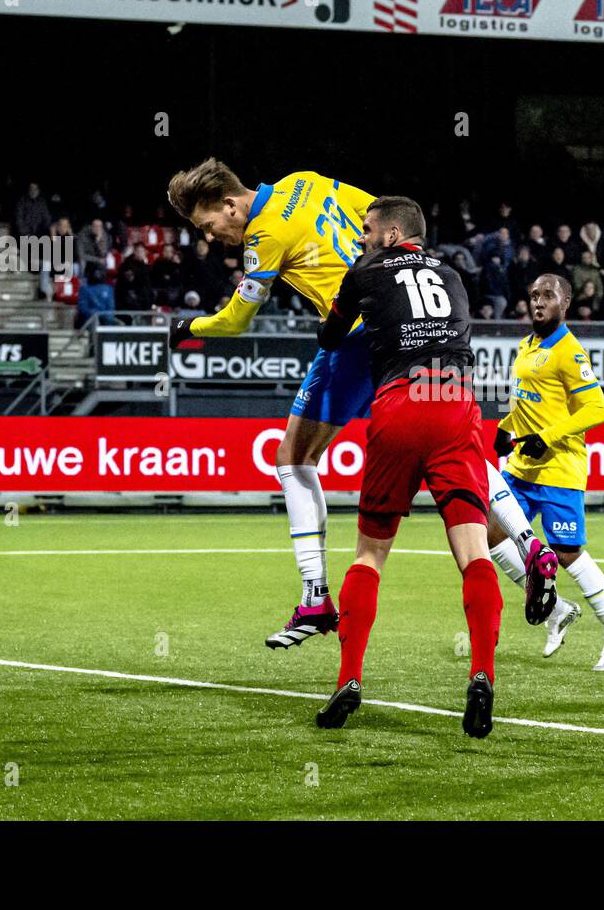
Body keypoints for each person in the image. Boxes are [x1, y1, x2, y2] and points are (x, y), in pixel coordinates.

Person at [166, 160, 548, 650]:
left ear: (229, 204)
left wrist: (188, 328)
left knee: (294, 458)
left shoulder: (263, 236)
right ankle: (530, 549)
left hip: (352, 337)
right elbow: (377, 216)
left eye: (208, 225)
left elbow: (237, 320)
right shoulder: (304, 182)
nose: (211, 237)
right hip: (407, 321)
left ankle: (315, 597)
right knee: (450, 444)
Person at [311, 196, 503, 738]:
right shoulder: (454, 273)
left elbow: (330, 337)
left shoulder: (364, 270)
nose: (363, 238)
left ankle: (349, 678)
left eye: (370, 230)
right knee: (473, 552)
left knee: (370, 554)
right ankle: (482, 673)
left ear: (394, 234)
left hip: (399, 402)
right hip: (456, 403)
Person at [493, 273, 604, 670]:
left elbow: (597, 409)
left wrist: (548, 436)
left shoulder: (570, 352)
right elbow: (525, 404)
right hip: (521, 468)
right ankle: (555, 610)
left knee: (567, 554)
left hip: (558, 469)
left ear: (565, 302)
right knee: (489, 531)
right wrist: (507, 430)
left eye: (548, 296)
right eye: (534, 295)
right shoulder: (527, 345)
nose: (538, 302)